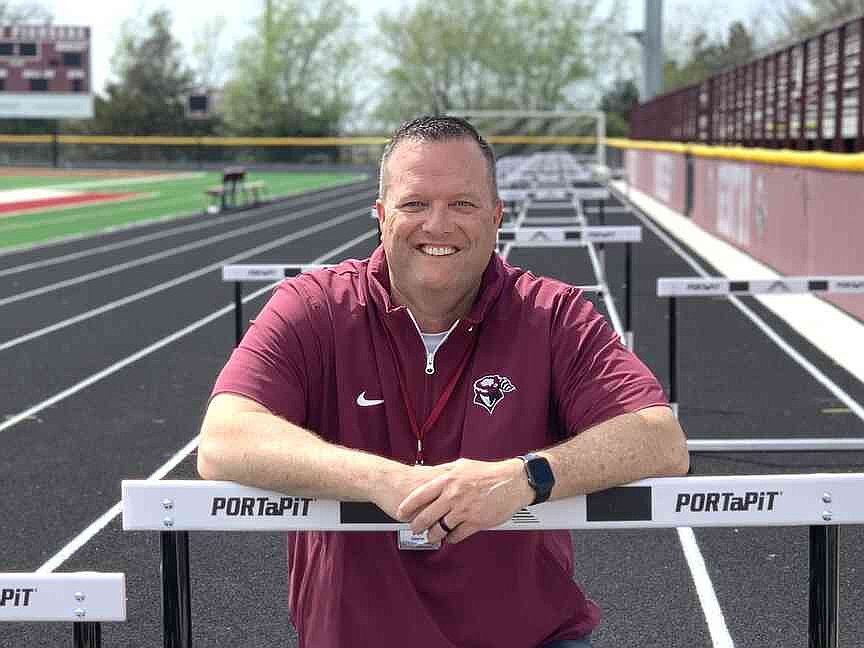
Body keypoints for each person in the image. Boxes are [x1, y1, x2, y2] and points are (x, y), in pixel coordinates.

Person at [198, 116, 689, 648]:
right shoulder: (313, 308)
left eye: (462, 203)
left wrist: (524, 478)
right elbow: (224, 439)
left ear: (497, 216)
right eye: (414, 204)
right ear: (381, 215)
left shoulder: (551, 315)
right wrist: (381, 480)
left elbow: (658, 438)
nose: (438, 225)